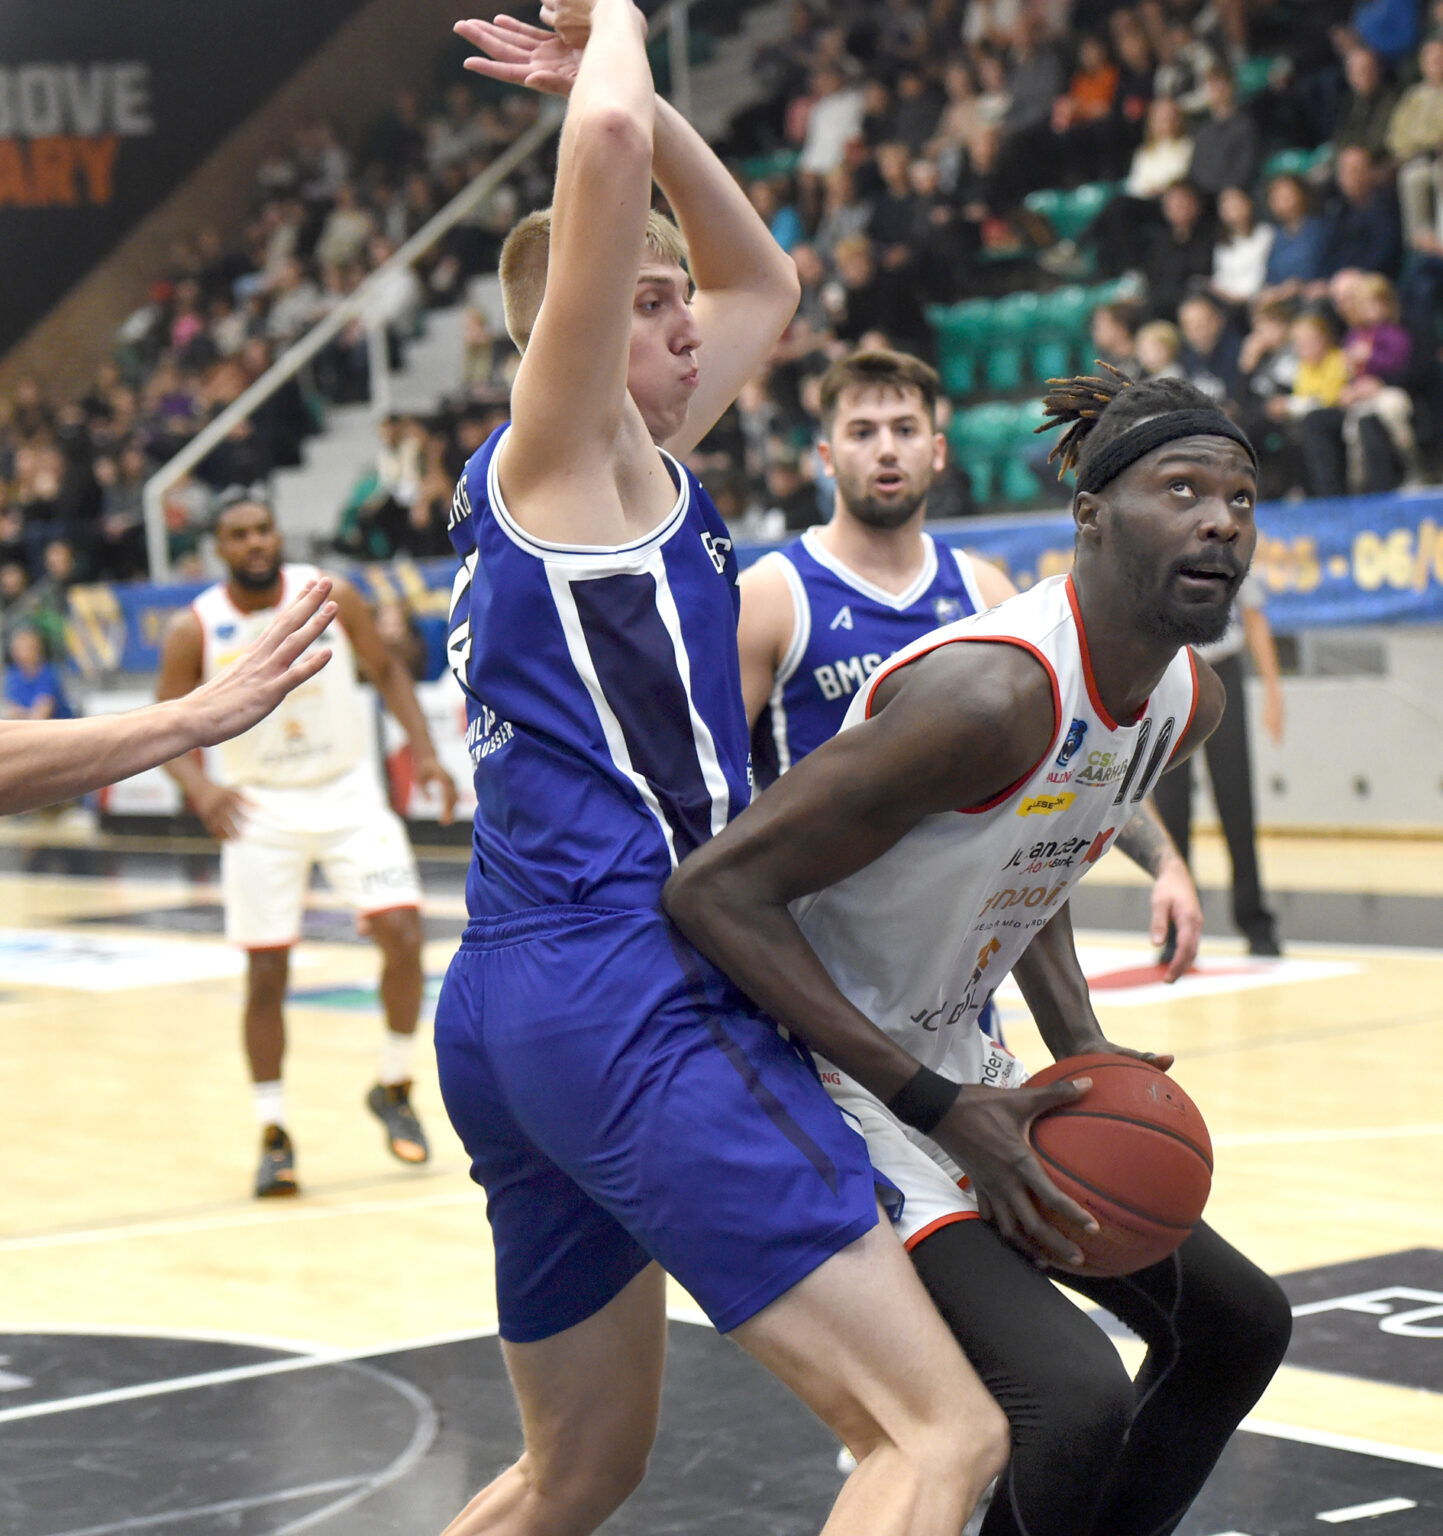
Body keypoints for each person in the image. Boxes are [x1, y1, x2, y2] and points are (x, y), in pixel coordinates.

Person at [435, 6, 1013, 1535]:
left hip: (510, 999)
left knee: (579, 1473)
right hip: (627, 984)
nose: (692, 322)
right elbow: (609, 150)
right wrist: (618, 23)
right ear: (562, 329)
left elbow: (770, 278)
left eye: (679, 301)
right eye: (646, 301)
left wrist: (635, 112)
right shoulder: (558, 455)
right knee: (936, 1437)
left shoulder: (630, 472)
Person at [665, 368, 1293, 1536]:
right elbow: (712, 894)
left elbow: (1037, 852)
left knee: (1238, 1327)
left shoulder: (1181, 701)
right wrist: (937, 1102)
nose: (1221, 519)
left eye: (1243, 499)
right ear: (1091, 517)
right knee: (1064, 1401)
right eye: (1183, 489)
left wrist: (1084, 1048)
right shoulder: (990, 691)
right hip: (813, 1068)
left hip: (951, 1060)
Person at [739, 348, 1204, 985]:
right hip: (824, 953)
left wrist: (1165, 864)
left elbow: (1075, 756)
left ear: (936, 450)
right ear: (825, 458)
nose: (885, 450)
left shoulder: (986, 591)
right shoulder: (770, 596)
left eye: (904, 430)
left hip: (958, 960)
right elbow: (716, 782)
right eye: (861, 432)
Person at [155, 490, 458, 1198]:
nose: (256, 542)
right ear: (218, 547)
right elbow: (167, 724)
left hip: (349, 792)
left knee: (405, 936)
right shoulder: (194, 626)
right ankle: (273, 1131)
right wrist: (200, 790)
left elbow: (386, 672)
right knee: (266, 976)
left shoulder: (331, 596)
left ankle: (393, 1083)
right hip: (258, 806)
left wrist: (428, 754)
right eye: (238, 534)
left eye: (264, 528)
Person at [0, 580, 335, 815]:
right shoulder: (194, 623)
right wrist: (191, 718)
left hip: (334, 789)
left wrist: (190, 716)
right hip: (257, 803)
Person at [1152, 575, 1285, 960]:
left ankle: (1256, 922)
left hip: (1223, 671)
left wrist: (1274, 692)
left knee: (1236, 799)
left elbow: (1254, 617)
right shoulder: (1159, 542)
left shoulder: (1228, 538)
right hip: (1169, 674)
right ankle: (1177, 929)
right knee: (1172, 808)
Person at [4, 626, 73, 721]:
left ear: (37, 649)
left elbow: (42, 714)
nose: (22, 653)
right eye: (18, 649)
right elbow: (11, 713)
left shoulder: (48, 673)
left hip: (57, 729)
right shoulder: (13, 675)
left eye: (27, 648)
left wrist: (23, 715)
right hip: (29, 728)